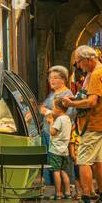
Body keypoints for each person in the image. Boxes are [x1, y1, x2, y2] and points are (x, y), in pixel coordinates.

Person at [62, 45, 102, 203]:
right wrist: (76, 98)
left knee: (83, 161)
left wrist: (72, 103)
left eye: (79, 62)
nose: (79, 66)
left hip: (93, 124)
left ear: (88, 59)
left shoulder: (97, 74)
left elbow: (92, 101)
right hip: (100, 123)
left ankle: (86, 200)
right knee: (98, 161)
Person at [40, 65, 73, 193]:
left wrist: (48, 112)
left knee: (60, 163)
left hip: (57, 135)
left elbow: (67, 114)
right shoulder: (53, 93)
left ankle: (64, 189)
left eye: (55, 78)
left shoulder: (67, 94)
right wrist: (46, 111)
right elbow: (43, 107)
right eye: (50, 78)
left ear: (63, 79)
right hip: (48, 132)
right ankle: (53, 187)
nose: (51, 80)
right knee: (50, 162)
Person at [47, 95, 73, 200]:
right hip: (64, 151)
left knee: (56, 171)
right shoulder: (67, 119)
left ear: (58, 109)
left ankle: (58, 193)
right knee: (64, 171)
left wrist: (51, 122)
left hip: (55, 150)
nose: (52, 109)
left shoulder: (59, 120)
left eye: (53, 107)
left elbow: (53, 132)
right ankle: (67, 192)